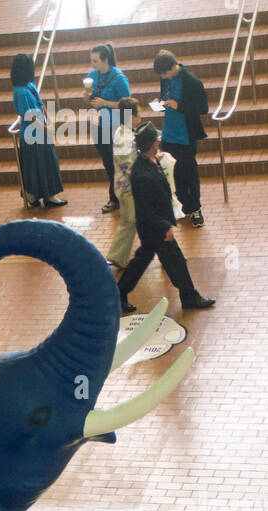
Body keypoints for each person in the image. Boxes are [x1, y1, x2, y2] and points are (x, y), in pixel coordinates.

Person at [116, 123, 215, 314]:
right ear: (152, 144)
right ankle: (189, 296)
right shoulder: (143, 174)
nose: (159, 142)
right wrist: (164, 227)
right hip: (155, 227)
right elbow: (145, 210)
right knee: (170, 260)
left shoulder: (148, 162)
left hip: (155, 226)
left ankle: (121, 293)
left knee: (147, 260)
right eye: (157, 140)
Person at [153, 49, 209, 227]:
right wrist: (161, 104)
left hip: (185, 136)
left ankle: (195, 209)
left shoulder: (191, 82)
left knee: (189, 173)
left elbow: (203, 108)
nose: (164, 77)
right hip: (169, 134)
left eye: (165, 73)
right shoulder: (165, 79)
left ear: (173, 66)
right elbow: (166, 96)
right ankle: (184, 205)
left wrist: (179, 106)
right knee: (174, 174)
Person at [10, 53, 66, 209]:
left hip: (40, 132)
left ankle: (43, 195)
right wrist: (46, 128)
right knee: (40, 165)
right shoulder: (21, 91)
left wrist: (48, 122)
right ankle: (46, 195)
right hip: (33, 134)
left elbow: (40, 106)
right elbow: (29, 115)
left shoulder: (29, 86)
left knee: (45, 163)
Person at [85, 42, 130, 213]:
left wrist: (106, 103)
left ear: (105, 60)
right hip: (98, 125)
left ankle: (117, 197)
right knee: (107, 162)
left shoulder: (119, 78)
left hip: (114, 126)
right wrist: (87, 96)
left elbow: (127, 104)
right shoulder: (92, 75)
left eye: (95, 61)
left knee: (116, 162)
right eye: (92, 60)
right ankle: (116, 196)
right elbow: (87, 101)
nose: (93, 64)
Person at [106, 96, 142, 269]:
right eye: (138, 113)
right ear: (131, 116)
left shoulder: (123, 132)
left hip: (125, 186)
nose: (140, 117)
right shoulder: (125, 137)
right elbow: (130, 164)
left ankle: (118, 256)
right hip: (128, 187)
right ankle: (117, 256)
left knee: (130, 221)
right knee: (129, 221)